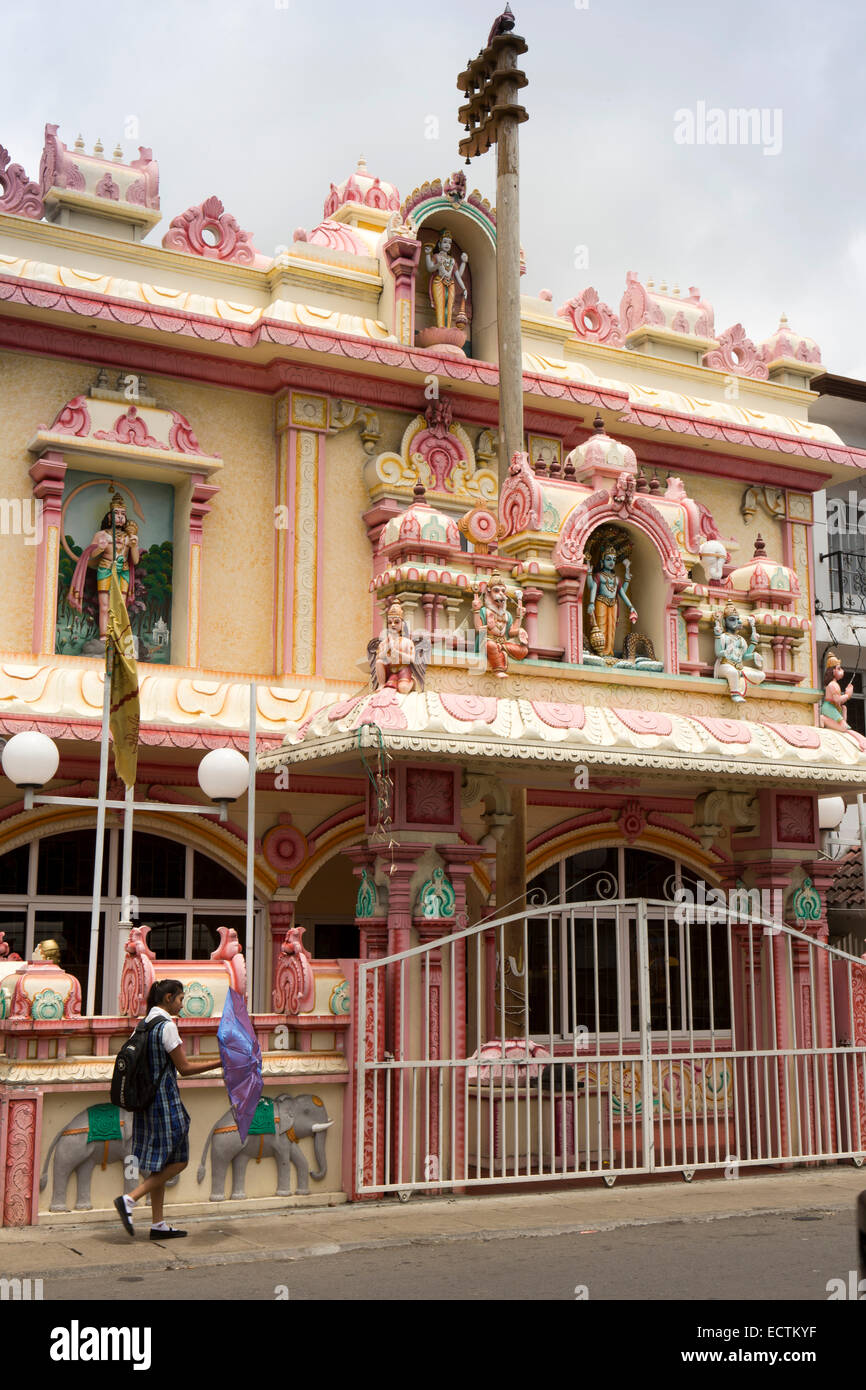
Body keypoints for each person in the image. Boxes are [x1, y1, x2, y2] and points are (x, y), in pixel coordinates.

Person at [114, 978, 221, 1240]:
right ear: (168, 998)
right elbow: (184, 1068)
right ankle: (130, 1199)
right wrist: (221, 1062)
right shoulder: (167, 1026)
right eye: (181, 999)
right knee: (179, 1160)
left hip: (145, 1101)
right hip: (164, 1100)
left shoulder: (143, 1025)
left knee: (159, 1164)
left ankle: (158, 1224)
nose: (182, 1005)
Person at [820, 651, 854, 728]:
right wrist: (848, 695)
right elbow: (837, 700)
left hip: (834, 706)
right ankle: (823, 719)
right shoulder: (832, 685)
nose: (842, 671)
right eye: (839, 669)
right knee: (843, 727)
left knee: (844, 709)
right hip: (829, 707)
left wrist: (847, 695)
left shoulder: (835, 684)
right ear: (833, 671)